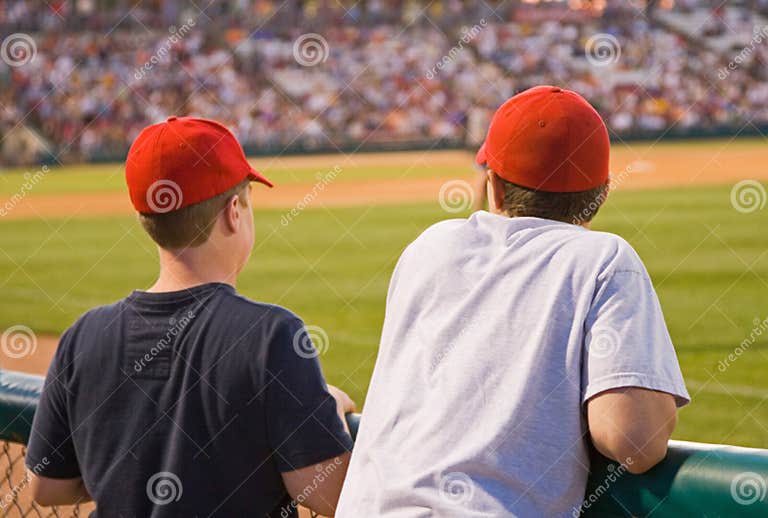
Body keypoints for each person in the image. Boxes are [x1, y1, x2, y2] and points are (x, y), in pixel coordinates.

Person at [336, 86, 689, 517]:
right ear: (602, 194)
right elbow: (633, 441)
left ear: (495, 188)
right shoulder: (603, 258)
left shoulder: (429, 246)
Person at [26, 116, 355, 517]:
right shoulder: (272, 335)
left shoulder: (84, 334)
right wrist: (329, 408)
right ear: (234, 212)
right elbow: (332, 495)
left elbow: (47, 485)